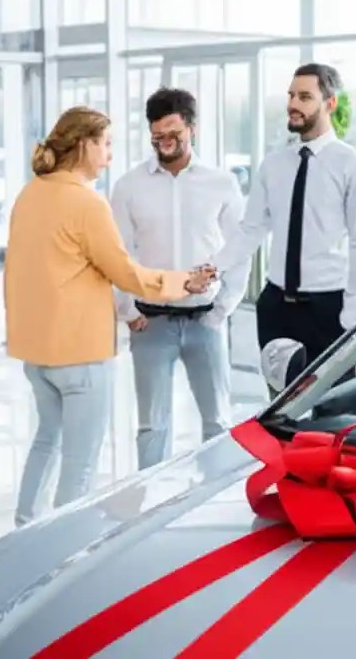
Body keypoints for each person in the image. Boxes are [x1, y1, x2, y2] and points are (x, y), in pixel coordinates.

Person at [4, 105, 215, 527]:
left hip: (36, 352)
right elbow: (126, 273)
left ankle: (24, 531)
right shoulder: (86, 202)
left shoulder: (31, 194)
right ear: (83, 144)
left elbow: (16, 271)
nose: (109, 155)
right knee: (80, 463)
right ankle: (63, 551)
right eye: (105, 144)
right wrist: (183, 283)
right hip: (80, 354)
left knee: (46, 439)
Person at [211, 63, 356, 379]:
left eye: (304, 97)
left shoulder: (352, 166)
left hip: (330, 309)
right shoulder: (274, 165)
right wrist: (213, 267)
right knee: (280, 412)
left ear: (329, 104)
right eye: (290, 95)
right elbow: (252, 229)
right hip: (277, 307)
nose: (293, 104)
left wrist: (354, 317)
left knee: (331, 411)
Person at [111, 87, 249, 469]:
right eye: (158, 137)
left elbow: (239, 248)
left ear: (193, 128)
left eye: (174, 135)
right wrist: (126, 310)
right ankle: (149, 514)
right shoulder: (129, 186)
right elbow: (118, 254)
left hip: (206, 320)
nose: (166, 143)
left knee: (218, 422)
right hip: (149, 321)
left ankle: (213, 508)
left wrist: (222, 310)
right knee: (152, 427)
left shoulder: (221, 183)